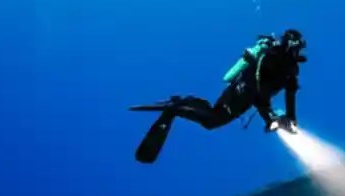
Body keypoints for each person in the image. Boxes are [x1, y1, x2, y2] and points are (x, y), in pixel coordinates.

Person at [129, 29, 308, 164]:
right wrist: (269, 116)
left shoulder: (290, 69)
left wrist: (291, 119)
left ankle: (183, 103)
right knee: (212, 120)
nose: (298, 52)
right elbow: (258, 88)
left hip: (245, 98)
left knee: (212, 119)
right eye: (298, 47)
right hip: (240, 93)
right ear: (291, 44)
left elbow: (290, 94)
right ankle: (177, 107)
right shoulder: (273, 57)